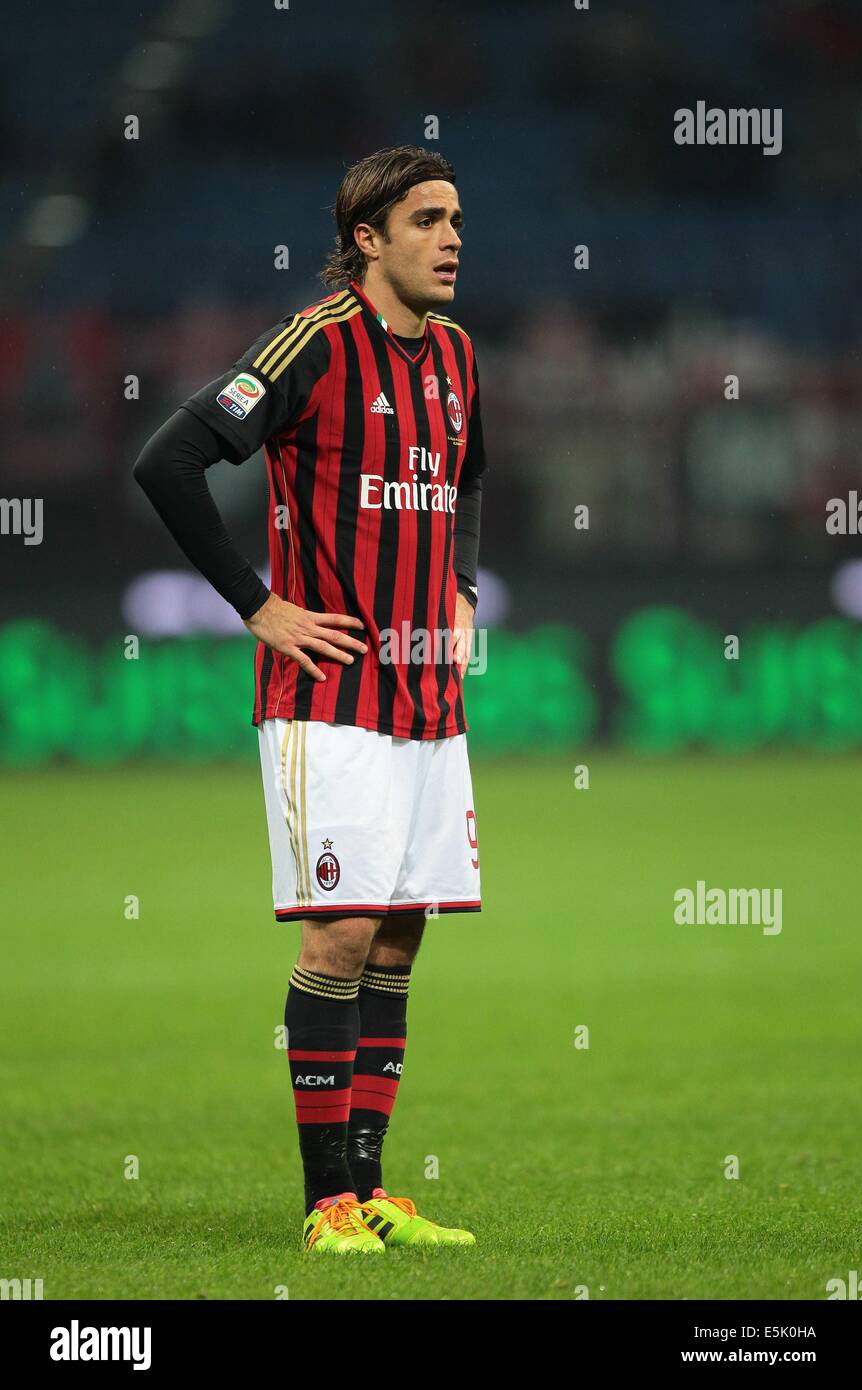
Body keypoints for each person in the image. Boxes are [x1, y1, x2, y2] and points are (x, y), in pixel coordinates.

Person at [134, 145, 487, 1253]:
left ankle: (375, 1190)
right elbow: (170, 459)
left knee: (396, 936)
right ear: (367, 239)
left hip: (426, 696)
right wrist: (256, 604)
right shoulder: (314, 343)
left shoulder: (460, 356)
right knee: (335, 936)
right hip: (327, 693)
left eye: (457, 218)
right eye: (426, 219)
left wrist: (463, 586)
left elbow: (468, 473)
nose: (450, 237)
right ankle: (323, 1201)